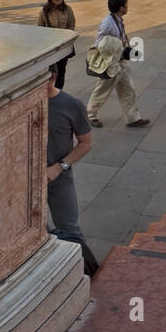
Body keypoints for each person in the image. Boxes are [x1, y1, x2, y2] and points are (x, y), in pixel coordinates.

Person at [44, 74, 99, 277]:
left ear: (52, 78)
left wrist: (60, 166)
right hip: (26, 180)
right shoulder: (23, 103)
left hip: (58, 178)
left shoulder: (71, 105)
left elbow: (86, 143)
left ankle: (89, 274)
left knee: (70, 230)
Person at [87, 0, 150, 128]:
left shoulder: (118, 20)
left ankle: (132, 118)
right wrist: (118, 42)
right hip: (110, 63)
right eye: (126, 5)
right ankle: (90, 115)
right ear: (121, 7)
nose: (127, 7)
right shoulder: (107, 23)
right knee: (102, 90)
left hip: (120, 62)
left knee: (128, 90)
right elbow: (99, 43)